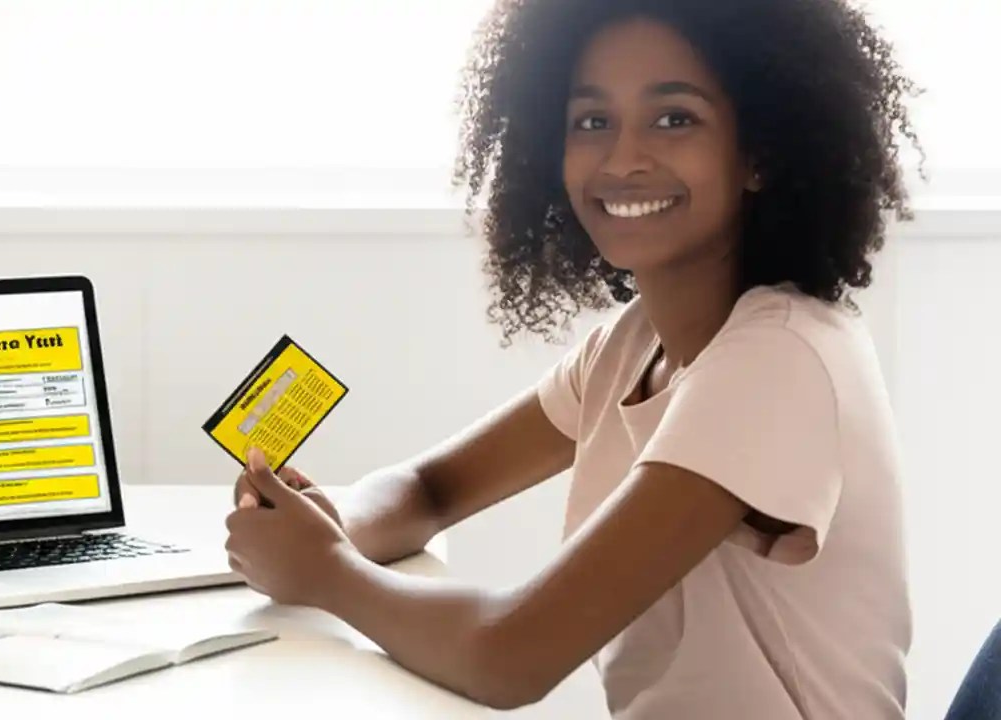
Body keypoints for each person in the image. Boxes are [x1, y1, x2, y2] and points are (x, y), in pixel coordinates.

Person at [223, 0, 923, 716]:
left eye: (673, 118)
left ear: (759, 153)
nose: (622, 158)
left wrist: (327, 570)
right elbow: (430, 489)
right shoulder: (633, 344)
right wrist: (325, 523)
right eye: (592, 122)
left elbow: (511, 657)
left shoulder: (779, 361)